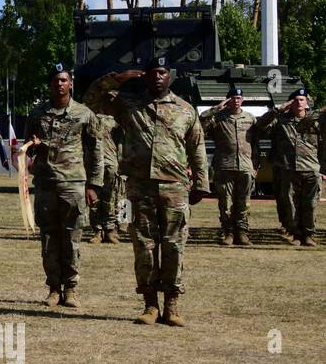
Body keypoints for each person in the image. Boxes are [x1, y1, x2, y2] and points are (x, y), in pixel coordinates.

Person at [84, 59, 208, 327]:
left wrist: (201, 183)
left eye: (163, 73)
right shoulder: (127, 104)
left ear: (170, 76)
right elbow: (90, 100)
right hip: (139, 187)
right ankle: (150, 305)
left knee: (174, 246)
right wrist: (117, 78)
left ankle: (172, 305)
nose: (158, 77)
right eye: (153, 73)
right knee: (144, 247)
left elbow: (197, 148)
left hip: (175, 187)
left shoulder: (186, 110)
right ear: (146, 77)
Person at [25, 63, 103, 308]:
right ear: (50, 84)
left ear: (70, 84)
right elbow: (28, 146)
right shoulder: (37, 113)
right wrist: (33, 147)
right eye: (55, 80)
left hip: (73, 184)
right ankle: (53, 288)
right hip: (46, 184)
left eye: (63, 80)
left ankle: (71, 289)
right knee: (49, 239)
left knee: (71, 238)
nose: (59, 84)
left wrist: (94, 185)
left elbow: (96, 151)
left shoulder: (84, 114)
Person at [254, 87, 324, 247]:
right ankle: (295, 233)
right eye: (296, 100)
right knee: (288, 203)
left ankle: (308, 234)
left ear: (307, 103)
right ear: (290, 103)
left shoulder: (316, 121)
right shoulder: (281, 121)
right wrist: (278, 109)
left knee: (310, 203)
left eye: (302, 100)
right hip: (286, 168)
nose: (299, 102)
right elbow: (260, 125)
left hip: (311, 168)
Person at [201, 87, 258, 246]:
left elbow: (256, 144)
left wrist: (256, 164)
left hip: (246, 166)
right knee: (225, 202)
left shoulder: (250, 119)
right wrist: (216, 108)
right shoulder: (218, 119)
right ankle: (228, 233)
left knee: (244, 202)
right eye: (233, 97)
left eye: (239, 97)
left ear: (243, 100)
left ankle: (242, 233)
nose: (236, 100)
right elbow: (201, 123)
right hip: (225, 166)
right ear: (228, 100)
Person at [89, 114, 123, 242]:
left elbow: (122, 142)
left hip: (111, 163)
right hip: (93, 163)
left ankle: (111, 229)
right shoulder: (89, 117)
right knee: (94, 198)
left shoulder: (117, 119)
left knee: (112, 197)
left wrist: (121, 161)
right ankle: (97, 231)